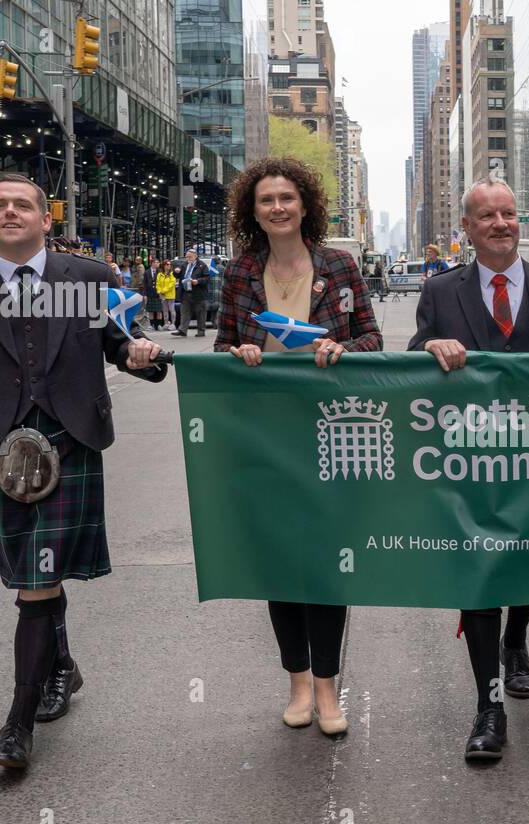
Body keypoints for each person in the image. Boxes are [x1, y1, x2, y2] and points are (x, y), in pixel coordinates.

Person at [0, 172, 167, 771]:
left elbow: (122, 345)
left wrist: (142, 356)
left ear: (45, 219)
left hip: (70, 440)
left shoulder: (85, 280)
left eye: (23, 205)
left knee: (37, 580)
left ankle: (17, 723)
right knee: (36, 578)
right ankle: (61, 665)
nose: (11, 212)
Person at [407, 173, 529, 762]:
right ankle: (487, 706)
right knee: (480, 574)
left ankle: (516, 641)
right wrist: (430, 348)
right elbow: (418, 350)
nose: (501, 225)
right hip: (471, 457)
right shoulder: (442, 292)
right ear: (466, 228)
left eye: (509, 214)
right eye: (487, 216)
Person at [215, 157, 383, 738]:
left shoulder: (338, 265)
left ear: (305, 204)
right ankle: (298, 682)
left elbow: (372, 338)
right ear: (252, 212)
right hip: (265, 439)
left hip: (331, 433)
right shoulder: (240, 272)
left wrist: (342, 349)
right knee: (281, 566)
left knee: (326, 563)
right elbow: (221, 350)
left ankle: (331, 688)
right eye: (266, 200)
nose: (278, 207)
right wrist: (241, 354)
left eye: (287, 197)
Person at [173, 248, 209, 337]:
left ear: (195, 256)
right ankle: (182, 330)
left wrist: (198, 281)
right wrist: (175, 271)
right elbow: (177, 276)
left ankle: (201, 331)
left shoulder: (202, 265)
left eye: (190, 257)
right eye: (187, 257)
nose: (188, 258)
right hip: (186, 292)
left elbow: (207, 278)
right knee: (184, 312)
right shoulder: (184, 264)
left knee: (200, 313)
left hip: (198, 293)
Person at [155, 259, 177, 330]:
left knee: (171, 309)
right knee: (164, 310)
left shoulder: (172, 274)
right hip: (162, 295)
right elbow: (157, 284)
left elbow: (171, 284)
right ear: (164, 265)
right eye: (167, 264)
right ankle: (166, 323)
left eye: (170, 264)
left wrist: (163, 291)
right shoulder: (159, 275)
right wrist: (159, 291)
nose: (169, 266)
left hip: (170, 295)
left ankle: (173, 324)